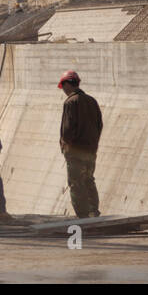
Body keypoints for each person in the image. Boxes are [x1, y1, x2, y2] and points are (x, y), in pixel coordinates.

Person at [58, 69, 103, 218]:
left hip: (75, 151)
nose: (63, 90)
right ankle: (93, 212)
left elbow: (67, 129)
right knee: (89, 180)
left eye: (63, 86)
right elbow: (99, 125)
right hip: (90, 150)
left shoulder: (71, 102)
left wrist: (65, 145)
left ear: (67, 84)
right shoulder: (92, 100)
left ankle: (83, 216)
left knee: (76, 183)